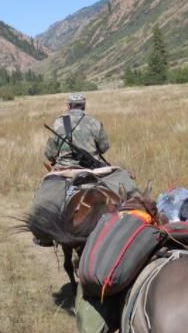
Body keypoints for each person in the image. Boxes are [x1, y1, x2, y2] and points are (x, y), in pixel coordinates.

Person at [30, 92, 135, 246]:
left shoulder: (59, 124)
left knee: (42, 201)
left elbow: (50, 153)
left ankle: (43, 235)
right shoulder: (94, 122)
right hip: (94, 168)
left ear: (68, 106)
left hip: (65, 169)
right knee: (128, 188)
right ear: (84, 106)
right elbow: (104, 147)